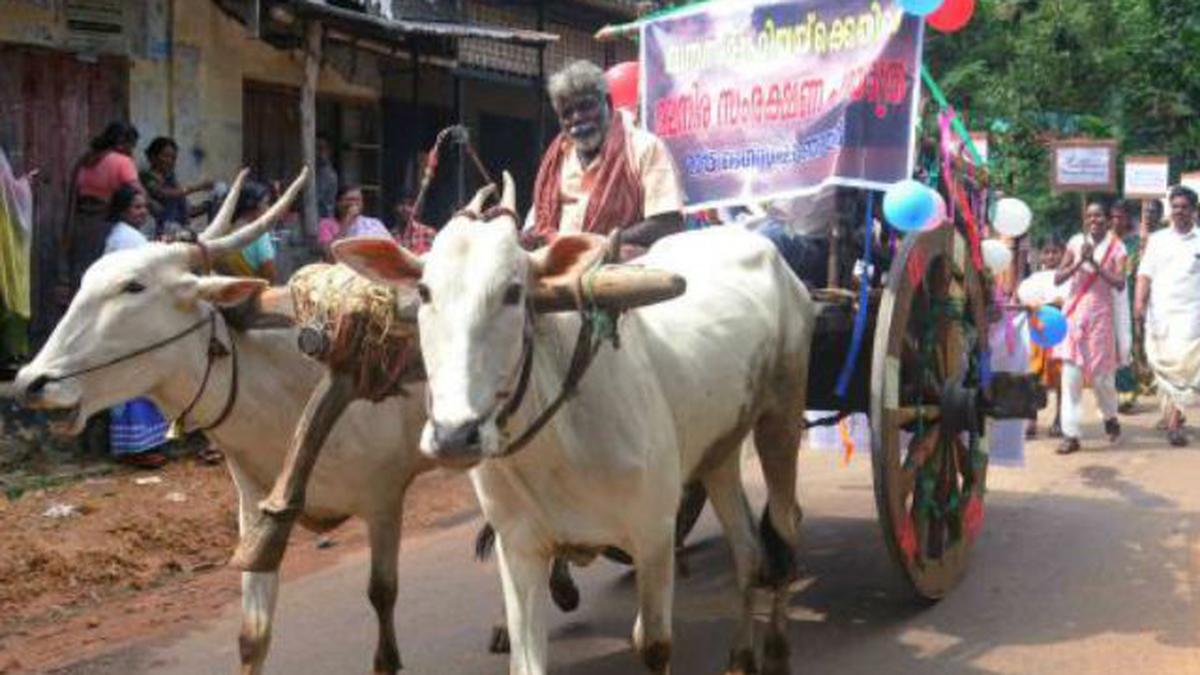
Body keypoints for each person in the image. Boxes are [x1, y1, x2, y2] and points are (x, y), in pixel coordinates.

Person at [525, 60, 684, 258]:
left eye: (585, 107)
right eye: (567, 113)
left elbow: (668, 222)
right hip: (557, 269)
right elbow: (537, 226)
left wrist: (595, 247)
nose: (577, 118)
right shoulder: (556, 160)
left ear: (607, 103)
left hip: (624, 271)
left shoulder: (644, 147)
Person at [102, 186, 170, 468]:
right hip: (133, 319)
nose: (142, 212)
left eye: (144, 207)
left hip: (122, 319)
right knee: (139, 381)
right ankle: (141, 446)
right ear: (122, 211)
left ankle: (133, 444)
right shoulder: (130, 239)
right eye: (136, 208)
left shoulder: (119, 236)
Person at [1054, 201, 1127, 454]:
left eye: (1099, 215)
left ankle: (1110, 416)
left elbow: (1119, 283)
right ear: (1085, 219)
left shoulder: (1117, 247)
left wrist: (1095, 264)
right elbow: (1057, 277)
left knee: (1101, 378)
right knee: (1071, 376)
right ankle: (1071, 434)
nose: (1094, 219)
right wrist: (1078, 262)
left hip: (1101, 318)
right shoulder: (1075, 242)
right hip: (1074, 316)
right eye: (1089, 216)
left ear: (1108, 219)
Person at [1136, 186, 1200, 447]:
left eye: (1185, 207)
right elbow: (1144, 274)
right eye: (1175, 207)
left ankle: (1174, 423)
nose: (1179, 211)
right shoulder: (1158, 239)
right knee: (1163, 366)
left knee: (1184, 369)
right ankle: (1173, 415)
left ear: (1194, 211)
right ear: (1169, 210)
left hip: (1192, 315)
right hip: (1160, 313)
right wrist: (1139, 302)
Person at [66, 121, 142, 295]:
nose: (132, 151)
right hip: (106, 226)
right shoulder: (122, 161)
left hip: (82, 227)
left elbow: (71, 201)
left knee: (83, 283)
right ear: (123, 143)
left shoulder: (84, 161)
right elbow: (139, 193)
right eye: (132, 146)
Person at [1018, 238, 1068, 438]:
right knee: (1033, 377)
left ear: (1063, 254)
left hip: (1060, 334)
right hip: (1037, 334)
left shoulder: (1067, 277)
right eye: (1046, 252)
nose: (1050, 256)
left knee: (1061, 377)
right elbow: (1025, 297)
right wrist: (1038, 305)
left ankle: (1059, 418)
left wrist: (1055, 304)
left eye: (1055, 252)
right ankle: (1031, 419)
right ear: (1040, 255)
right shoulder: (1034, 279)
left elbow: (1068, 298)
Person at [140, 137, 213, 238]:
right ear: (153, 157)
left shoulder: (171, 180)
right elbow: (162, 194)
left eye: (173, 158)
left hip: (176, 231)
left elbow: (188, 211)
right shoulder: (146, 177)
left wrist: (209, 205)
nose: (170, 161)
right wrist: (197, 187)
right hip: (156, 234)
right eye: (165, 156)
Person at [213, 180, 277, 283]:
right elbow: (270, 276)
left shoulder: (223, 232)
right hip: (254, 295)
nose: (268, 208)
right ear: (252, 207)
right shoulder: (258, 235)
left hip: (227, 294)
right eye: (265, 203)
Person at [1110, 200, 1139, 413]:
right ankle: (1110, 393)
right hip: (1106, 301)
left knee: (1126, 344)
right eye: (1113, 217)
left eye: (1120, 217)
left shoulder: (1136, 244)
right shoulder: (1104, 242)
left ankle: (1127, 392)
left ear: (1128, 219)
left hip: (1129, 299)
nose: (1116, 221)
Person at [317, 184, 390, 259]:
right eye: (350, 200)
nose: (354, 204)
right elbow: (328, 254)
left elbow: (389, 248)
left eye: (358, 200)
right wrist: (347, 220)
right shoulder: (326, 224)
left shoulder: (373, 224)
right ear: (339, 202)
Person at [316, 134, 339, 219]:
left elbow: (317, 198)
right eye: (316, 148)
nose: (318, 153)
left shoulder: (327, 174)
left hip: (323, 219)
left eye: (321, 148)